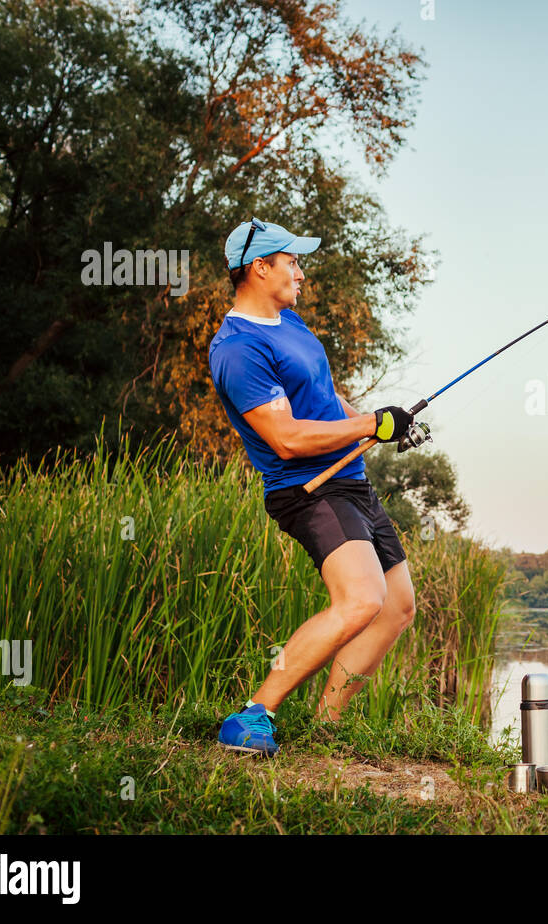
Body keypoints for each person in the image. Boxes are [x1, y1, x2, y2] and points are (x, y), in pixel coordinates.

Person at [207, 217, 416, 756]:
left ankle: (327, 726)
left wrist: (379, 425)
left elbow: (326, 403)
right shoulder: (238, 348)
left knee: (396, 606)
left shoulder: (291, 323)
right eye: (292, 261)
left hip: (350, 481)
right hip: (308, 488)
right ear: (259, 267)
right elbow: (286, 438)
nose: (300, 271)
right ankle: (253, 714)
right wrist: (371, 424)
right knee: (360, 599)